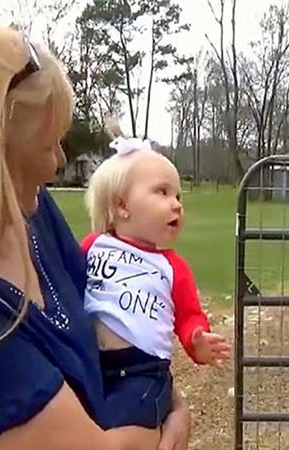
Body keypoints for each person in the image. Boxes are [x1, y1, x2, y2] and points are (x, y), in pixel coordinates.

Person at [0, 16, 190, 450]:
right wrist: (175, 421)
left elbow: (104, 324)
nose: (57, 161)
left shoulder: (33, 216)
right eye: (47, 145)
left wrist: (164, 393)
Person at [81, 129, 230, 432]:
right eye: (163, 192)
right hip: (90, 367)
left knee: (116, 425)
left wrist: (197, 339)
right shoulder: (93, 246)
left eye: (178, 196)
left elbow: (189, 316)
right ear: (122, 206)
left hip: (144, 374)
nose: (176, 204)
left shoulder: (172, 267)